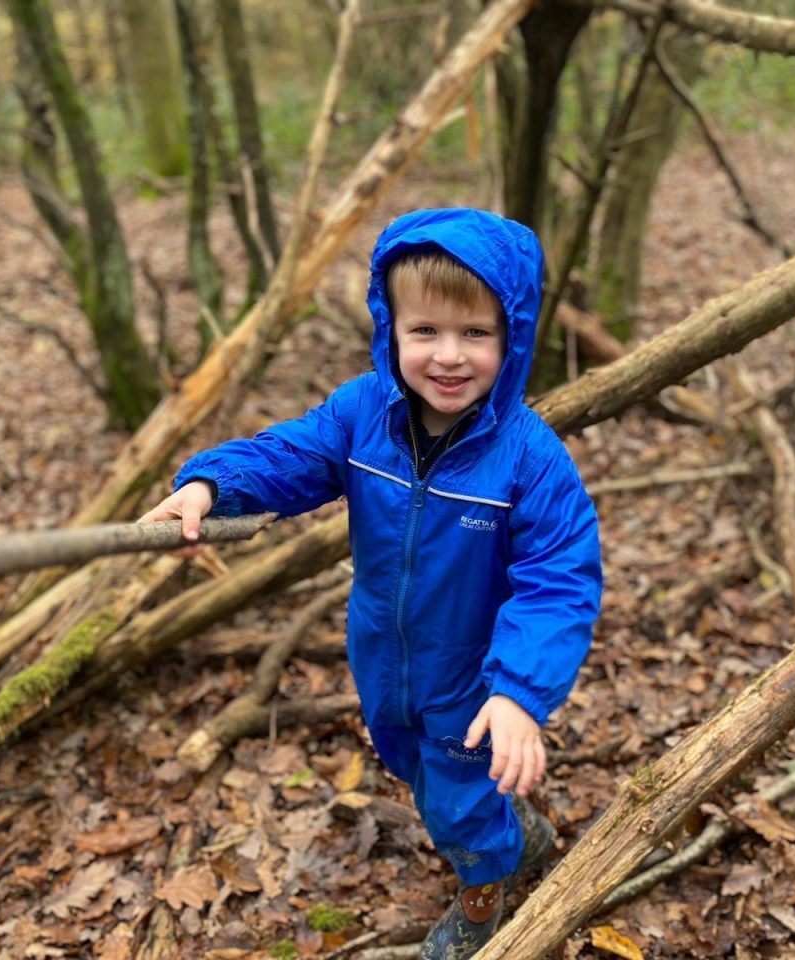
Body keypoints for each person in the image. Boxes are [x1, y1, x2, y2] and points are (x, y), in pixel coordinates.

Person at [141, 207, 602, 957]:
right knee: (416, 769)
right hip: (383, 662)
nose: (449, 357)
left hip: (472, 679)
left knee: (457, 805)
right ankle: (519, 833)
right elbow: (287, 455)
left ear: (511, 335)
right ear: (391, 328)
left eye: (475, 334)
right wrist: (209, 487)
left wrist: (518, 690)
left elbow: (558, 579)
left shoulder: (529, 458)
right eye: (426, 332)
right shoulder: (364, 416)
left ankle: (484, 895)